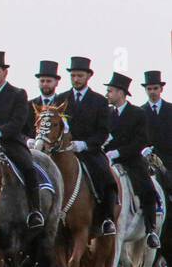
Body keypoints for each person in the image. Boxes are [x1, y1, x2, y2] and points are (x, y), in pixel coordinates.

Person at [0, 51, 44, 228]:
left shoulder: (18, 93)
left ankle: (34, 210)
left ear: (5, 73)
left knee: (28, 168)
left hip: (11, 142)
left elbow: (18, 121)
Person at [103, 72, 160, 248]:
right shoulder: (106, 113)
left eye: (110, 91)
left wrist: (119, 152)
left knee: (148, 189)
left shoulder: (137, 113)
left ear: (121, 92)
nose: (107, 94)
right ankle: (105, 220)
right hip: (109, 160)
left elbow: (140, 140)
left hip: (131, 160)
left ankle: (151, 230)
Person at [62, 56, 117, 235]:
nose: (76, 79)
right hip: (65, 150)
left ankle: (107, 218)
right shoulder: (62, 99)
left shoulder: (99, 101)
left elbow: (103, 131)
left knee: (106, 177)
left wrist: (85, 144)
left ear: (88, 77)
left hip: (89, 150)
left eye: (79, 76)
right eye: (73, 76)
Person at [22, 60, 63, 140]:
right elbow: (20, 131)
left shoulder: (61, 105)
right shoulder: (28, 105)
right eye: (42, 81)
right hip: (32, 149)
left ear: (56, 83)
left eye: (48, 81)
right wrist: (27, 140)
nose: (45, 84)